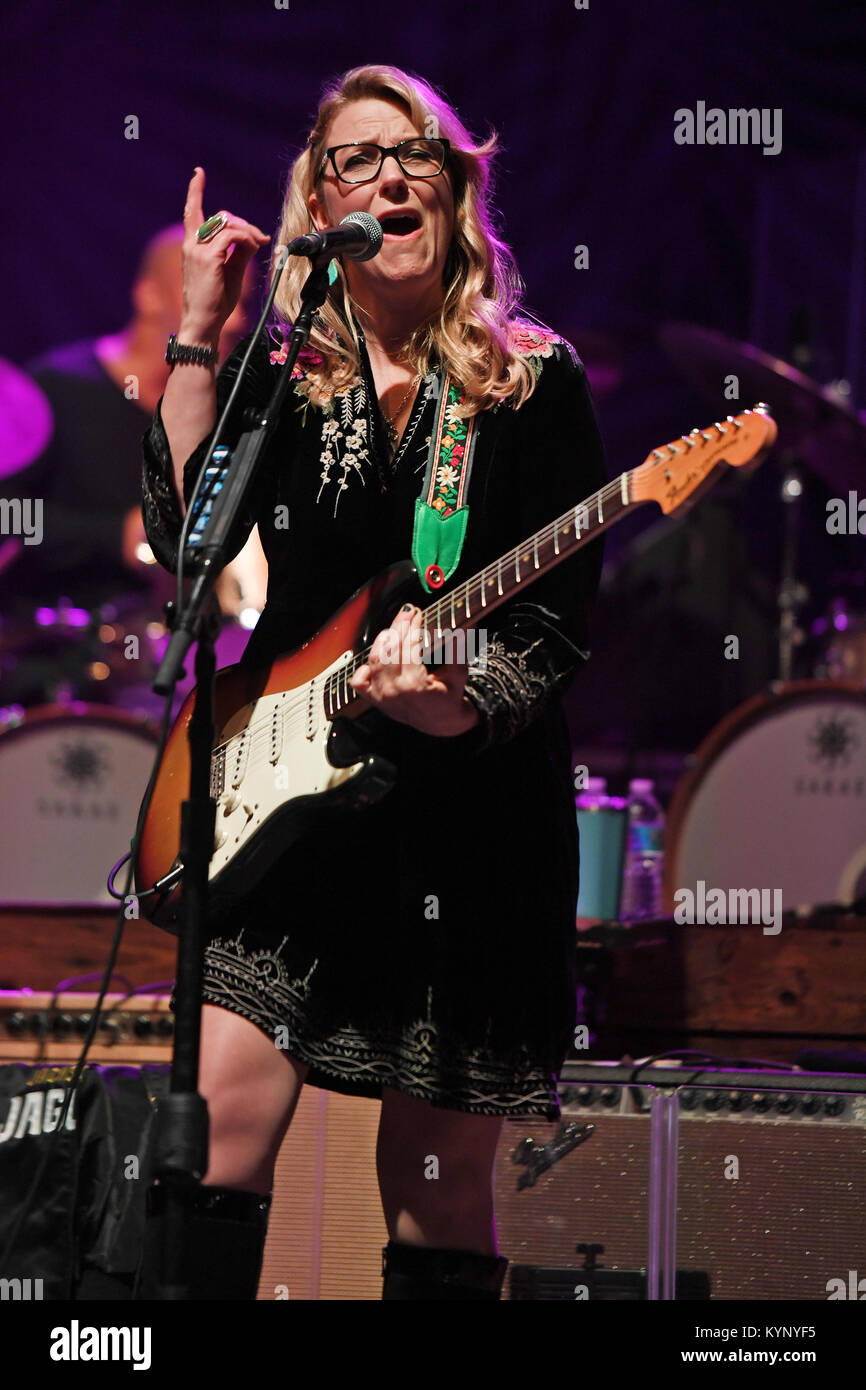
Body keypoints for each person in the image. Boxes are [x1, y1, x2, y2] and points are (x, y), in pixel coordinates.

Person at [138, 63, 606, 1301]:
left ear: (454, 191)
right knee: (211, 1133)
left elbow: (557, 626)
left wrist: (456, 694)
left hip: (466, 828)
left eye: (415, 156)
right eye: (355, 158)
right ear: (318, 203)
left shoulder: (525, 381)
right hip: (288, 801)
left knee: (435, 1195)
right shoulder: (289, 379)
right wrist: (202, 327)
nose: (388, 176)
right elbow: (188, 536)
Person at [0, 226, 261, 709]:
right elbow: (9, 520)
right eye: (215, 298)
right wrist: (112, 536)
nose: (234, 320)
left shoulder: (227, 417)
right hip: (52, 668)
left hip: (175, 674)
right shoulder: (55, 390)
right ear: (148, 295)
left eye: (240, 303)